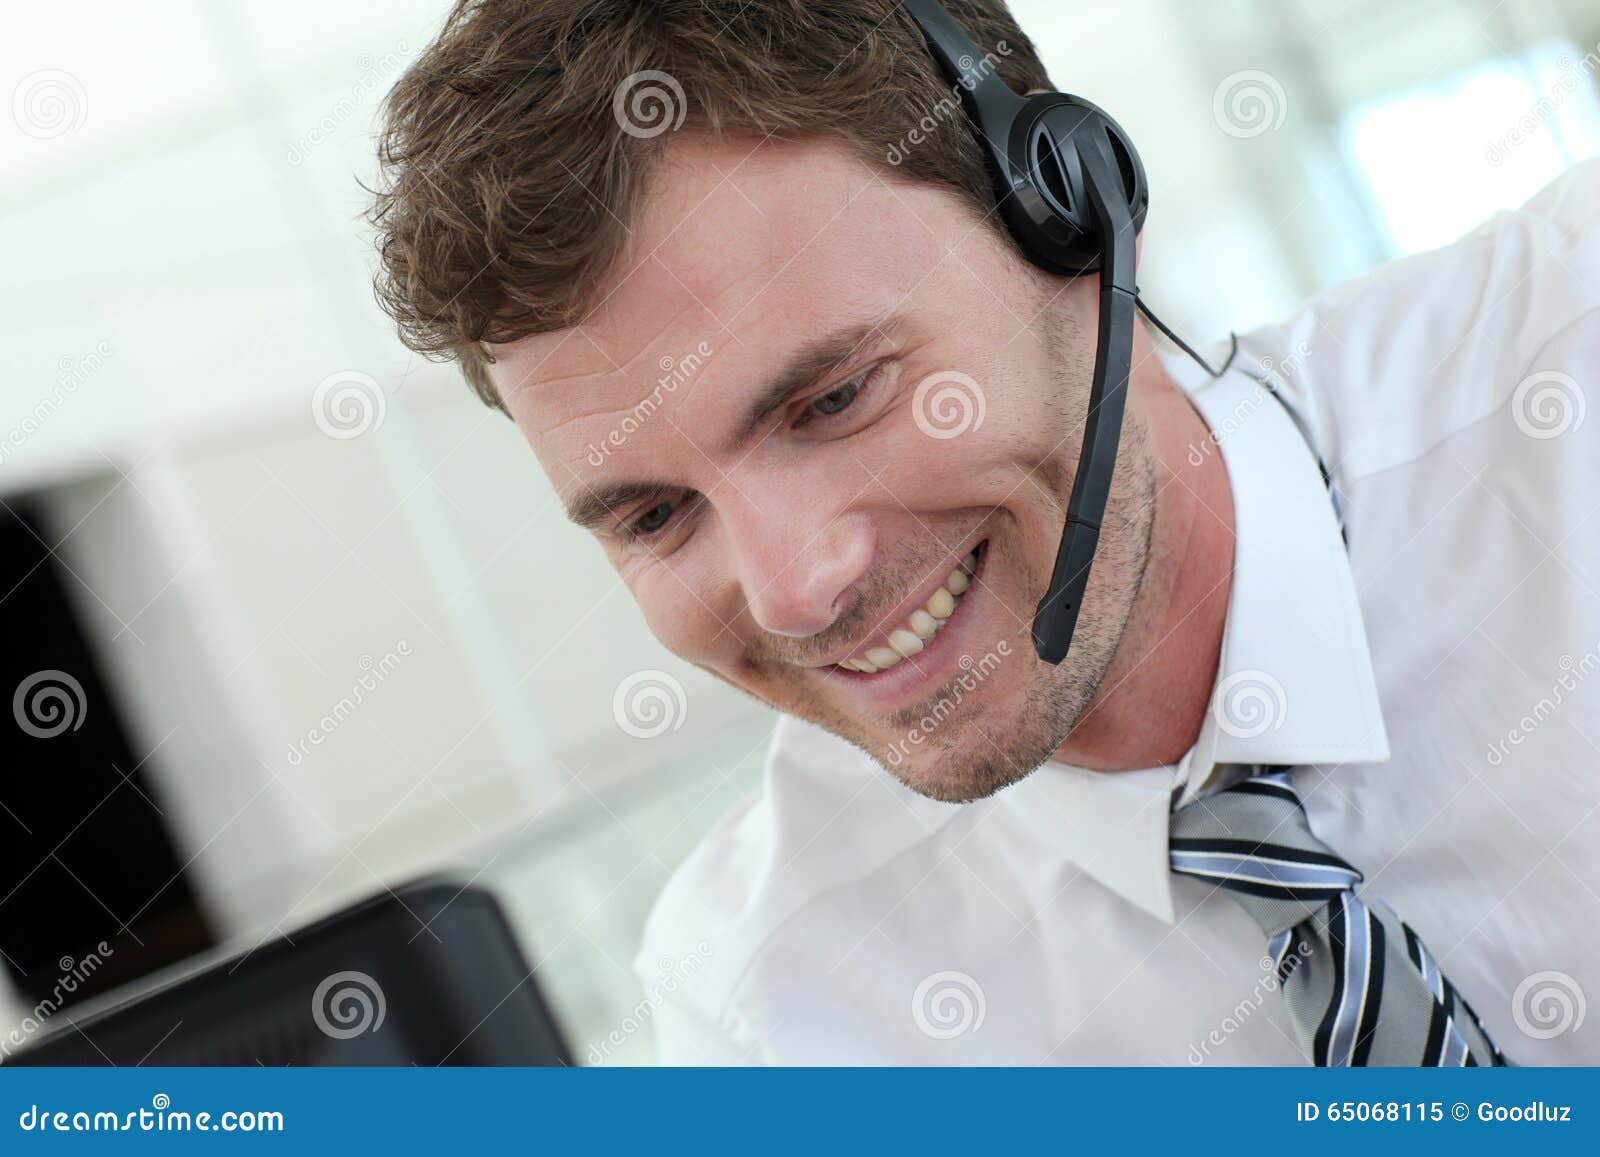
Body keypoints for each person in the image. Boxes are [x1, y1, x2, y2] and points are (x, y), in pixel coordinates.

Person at [369, 0, 1600, 1064]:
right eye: (653, 514)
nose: (794, 588)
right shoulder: (780, 1005)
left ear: (1075, 217)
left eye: (836, 397)